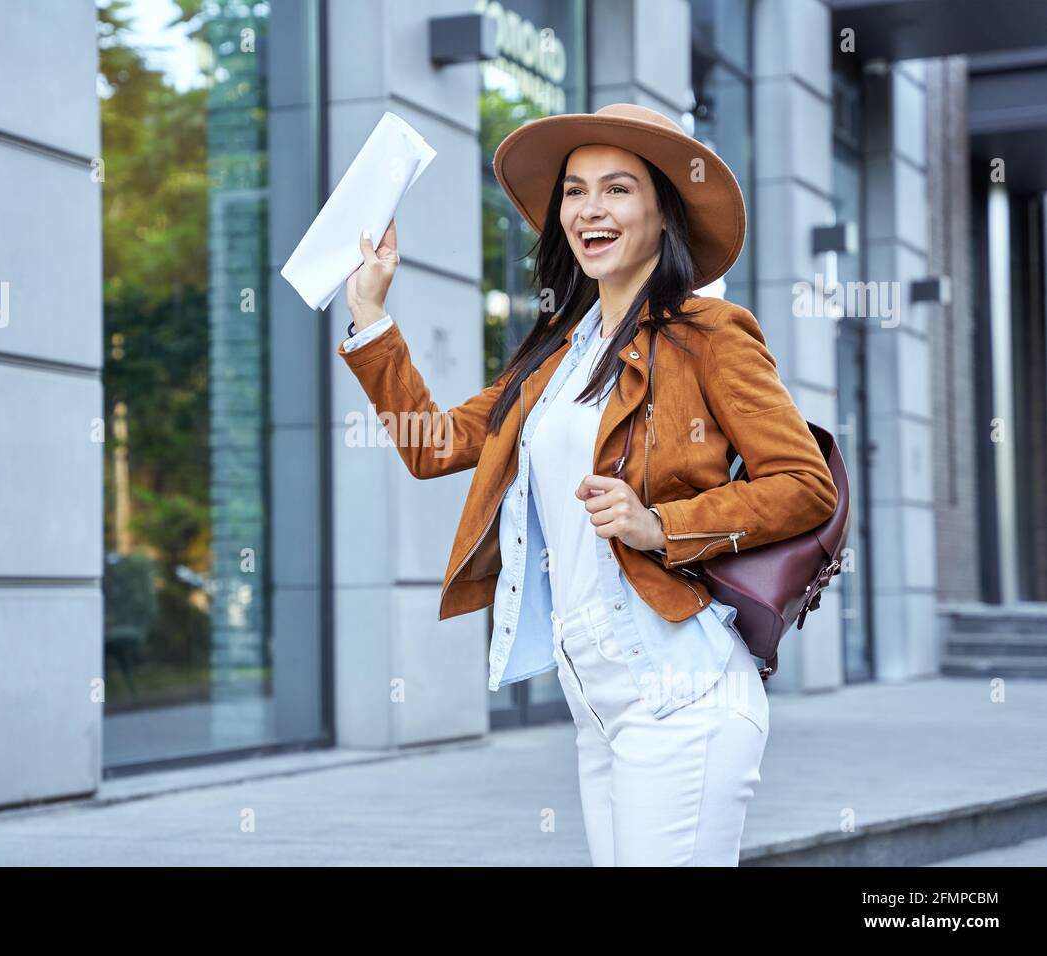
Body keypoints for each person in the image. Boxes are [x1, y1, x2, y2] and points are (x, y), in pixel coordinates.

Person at [335, 103, 838, 866]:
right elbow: (432, 446)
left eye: (617, 189)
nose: (589, 210)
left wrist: (660, 525)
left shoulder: (708, 332)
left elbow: (805, 484)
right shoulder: (554, 358)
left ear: (663, 214)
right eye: (574, 191)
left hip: (679, 693)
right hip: (596, 704)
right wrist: (370, 312)